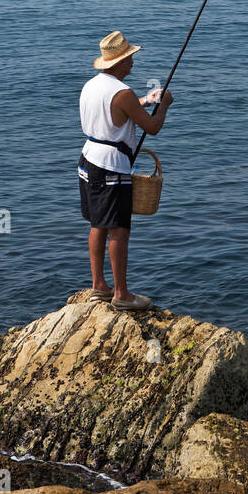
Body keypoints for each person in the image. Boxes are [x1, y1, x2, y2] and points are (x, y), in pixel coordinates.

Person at [78, 31, 173, 311]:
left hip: (87, 161)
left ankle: (99, 286)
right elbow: (152, 128)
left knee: (98, 225)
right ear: (119, 63)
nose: (132, 63)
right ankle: (122, 294)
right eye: (130, 58)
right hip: (111, 168)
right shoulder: (122, 92)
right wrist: (163, 105)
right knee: (119, 230)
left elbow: (115, 112)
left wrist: (145, 100)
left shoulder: (91, 85)